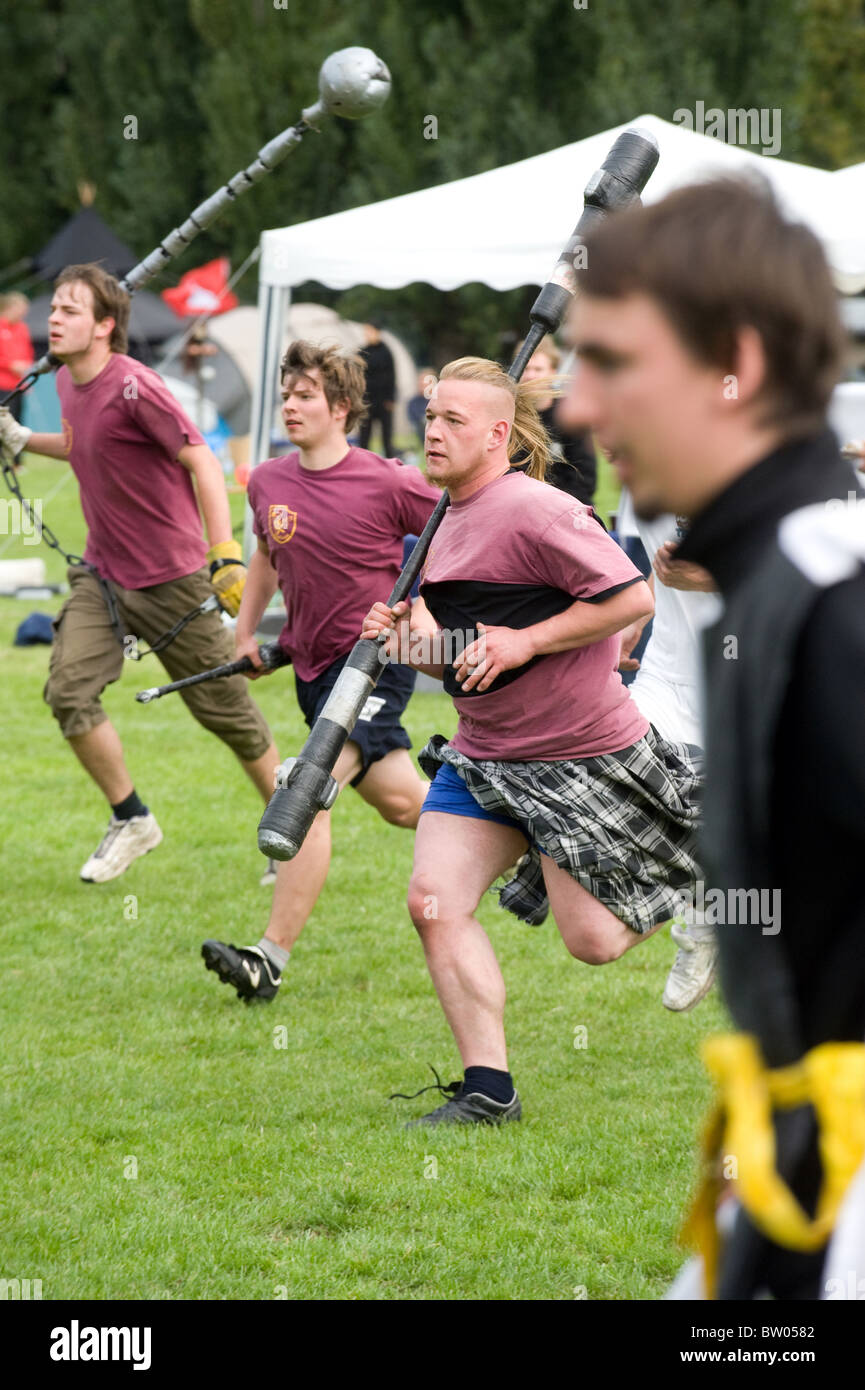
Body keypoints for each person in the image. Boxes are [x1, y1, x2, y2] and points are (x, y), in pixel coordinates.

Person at [563, 174, 865, 1299]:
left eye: (615, 363)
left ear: (732, 361)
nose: (582, 409)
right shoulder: (769, 585)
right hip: (789, 1169)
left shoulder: (834, 610)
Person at [361, 357, 702, 1126]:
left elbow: (630, 595)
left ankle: (707, 885)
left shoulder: (540, 512)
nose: (433, 430)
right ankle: (488, 1091)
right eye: (431, 415)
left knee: (593, 943)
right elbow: (458, 651)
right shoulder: (441, 517)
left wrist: (526, 641)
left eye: (453, 420)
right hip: (482, 755)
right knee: (433, 901)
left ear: (498, 435)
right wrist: (403, 644)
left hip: (577, 752)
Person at [0, 263, 279, 883]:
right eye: (53, 308)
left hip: (173, 579)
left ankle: (286, 824)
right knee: (68, 693)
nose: (53, 318)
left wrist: (226, 552)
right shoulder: (71, 383)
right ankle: (132, 818)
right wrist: (21, 437)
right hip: (101, 574)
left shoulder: (136, 386)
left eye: (70, 310)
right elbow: (81, 442)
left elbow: (204, 461)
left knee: (225, 714)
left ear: (104, 326)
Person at [201, 340, 441, 1002]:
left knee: (303, 789)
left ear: (341, 408)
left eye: (305, 395)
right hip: (312, 671)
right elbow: (267, 560)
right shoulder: (270, 482)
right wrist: (246, 633)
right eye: (286, 394)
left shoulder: (389, 480)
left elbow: (460, 532)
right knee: (401, 801)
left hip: (372, 663)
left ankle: (265, 961)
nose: (289, 405)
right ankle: (519, 832)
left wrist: (421, 606)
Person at [610, 485, 719, 1012]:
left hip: (764, 677)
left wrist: (718, 574)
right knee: (621, 776)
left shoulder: (765, 447)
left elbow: (816, 566)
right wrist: (641, 612)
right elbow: (665, 554)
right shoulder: (643, 467)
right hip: (669, 672)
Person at [518, 334, 597, 504]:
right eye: (526, 368)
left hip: (565, 505)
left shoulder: (570, 415)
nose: (531, 375)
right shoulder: (510, 415)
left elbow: (585, 478)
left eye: (538, 369)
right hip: (518, 504)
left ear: (552, 372)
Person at [357, 319, 396, 457]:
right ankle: (362, 462)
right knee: (364, 437)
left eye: (369, 331)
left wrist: (391, 399)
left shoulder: (386, 352)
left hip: (383, 401)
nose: (367, 334)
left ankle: (391, 462)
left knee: (386, 437)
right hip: (366, 400)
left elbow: (392, 376)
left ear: (377, 332)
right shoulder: (362, 352)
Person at [0, 292, 35, 422]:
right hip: (1, 386)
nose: (23, 313)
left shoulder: (22, 328)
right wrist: (10, 365)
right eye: (21, 309)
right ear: (10, 308)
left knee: (16, 424)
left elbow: (28, 353)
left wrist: (27, 375)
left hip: (18, 386)